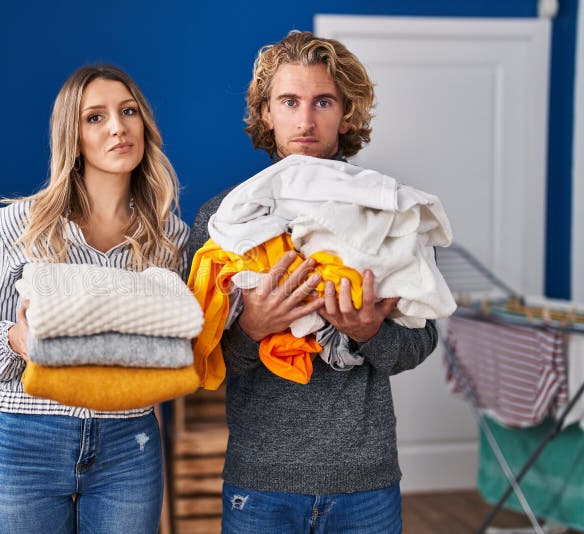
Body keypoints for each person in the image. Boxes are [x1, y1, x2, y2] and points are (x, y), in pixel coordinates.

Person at [188, 31, 438, 533]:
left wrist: (369, 333)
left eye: (323, 101)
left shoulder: (386, 209)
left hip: (365, 483)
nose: (305, 120)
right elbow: (199, 355)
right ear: (266, 113)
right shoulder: (225, 220)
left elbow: (421, 340)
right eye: (289, 101)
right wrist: (253, 327)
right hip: (260, 484)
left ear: (346, 113)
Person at [0, 64, 188, 533]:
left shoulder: (169, 237)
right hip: (27, 442)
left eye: (128, 111)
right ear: (73, 135)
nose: (117, 126)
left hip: (130, 444)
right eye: (95, 117)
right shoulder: (20, 225)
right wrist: (18, 341)